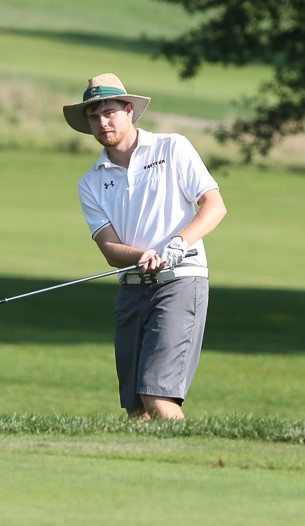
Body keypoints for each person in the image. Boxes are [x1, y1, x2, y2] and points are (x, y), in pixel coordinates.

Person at [62, 73, 226, 420]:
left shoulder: (172, 148)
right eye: (94, 116)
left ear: (128, 110)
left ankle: (194, 463)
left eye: (109, 112)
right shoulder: (92, 181)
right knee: (136, 409)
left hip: (180, 282)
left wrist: (180, 242)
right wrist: (141, 256)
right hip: (131, 291)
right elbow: (109, 249)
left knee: (157, 396)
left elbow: (214, 205)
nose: (102, 122)